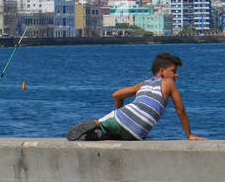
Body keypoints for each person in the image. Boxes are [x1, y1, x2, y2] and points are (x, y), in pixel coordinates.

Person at [67, 52, 205, 141]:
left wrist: (120, 113)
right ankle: (107, 133)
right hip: (138, 133)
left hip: (119, 118)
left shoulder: (143, 84)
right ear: (163, 71)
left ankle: (98, 125)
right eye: (173, 71)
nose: (176, 75)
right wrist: (189, 135)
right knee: (120, 135)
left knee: (109, 124)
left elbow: (116, 95)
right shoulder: (168, 83)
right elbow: (180, 110)